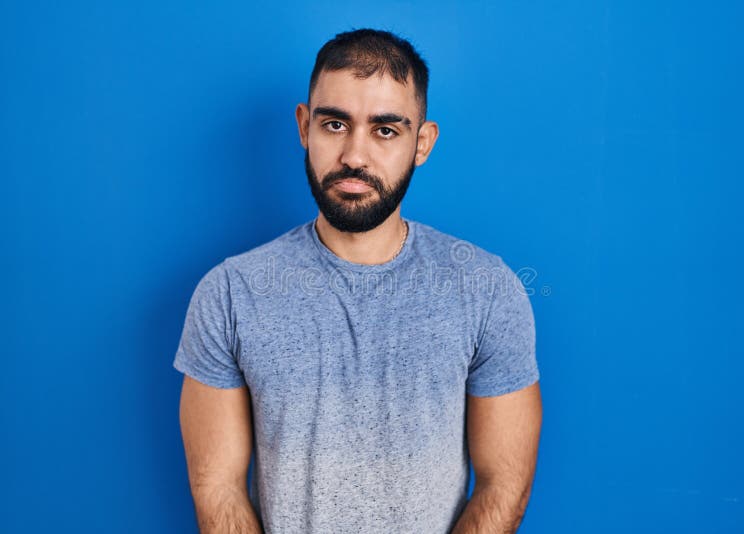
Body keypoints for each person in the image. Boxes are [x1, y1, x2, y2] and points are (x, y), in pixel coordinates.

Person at [173, 28, 543, 534]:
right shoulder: (230, 294)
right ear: (304, 127)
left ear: (423, 142)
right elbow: (216, 487)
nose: (354, 155)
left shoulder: (487, 290)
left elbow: (504, 487)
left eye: (386, 130)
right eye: (334, 124)